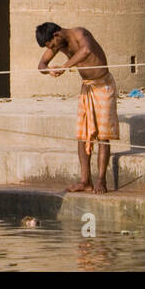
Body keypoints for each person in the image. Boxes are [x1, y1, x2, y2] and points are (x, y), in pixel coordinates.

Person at [36, 22, 118, 193]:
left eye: (51, 45)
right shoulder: (58, 44)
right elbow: (41, 65)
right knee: (83, 136)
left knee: (103, 135)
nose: (52, 48)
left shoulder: (80, 33)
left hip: (103, 86)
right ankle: (85, 181)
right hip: (86, 88)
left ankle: (101, 180)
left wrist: (65, 67)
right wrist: (49, 70)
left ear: (56, 36)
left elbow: (86, 50)